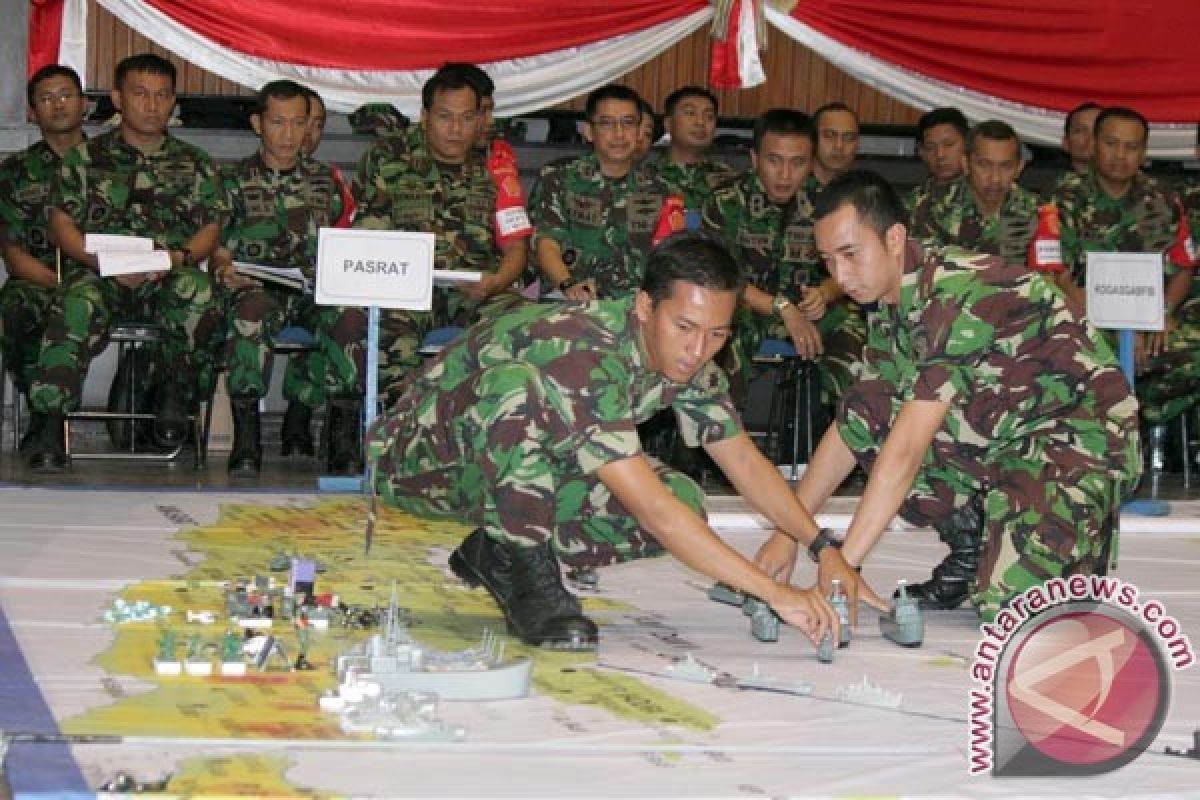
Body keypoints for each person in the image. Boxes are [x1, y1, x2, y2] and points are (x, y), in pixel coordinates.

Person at [367, 231, 872, 650]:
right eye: (685, 326)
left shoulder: (689, 360)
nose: (698, 349)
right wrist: (773, 593)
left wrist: (821, 546)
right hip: (415, 458)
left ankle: (499, 550)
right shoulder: (585, 348)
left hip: (499, 464)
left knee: (684, 499)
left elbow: (743, 460)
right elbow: (651, 508)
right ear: (645, 306)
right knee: (519, 391)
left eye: (718, 334)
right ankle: (526, 566)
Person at [769, 170, 1139, 622]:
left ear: (894, 238)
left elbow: (906, 451)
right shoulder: (892, 299)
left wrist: (844, 564)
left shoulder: (953, 292)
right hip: (1007, 437)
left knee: (1010, 610)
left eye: (850, 254)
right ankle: (976, 547)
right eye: (828, 260)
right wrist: (791, 533)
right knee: (870, 407)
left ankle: (1076, 547)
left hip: (1078, 445)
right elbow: (855, 423)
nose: (840, 276)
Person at [24, 53, 224, 472]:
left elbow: (210, 227)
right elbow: (62, 224)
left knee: (200, 292)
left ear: (173, 102)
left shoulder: (195, 163)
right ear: (117, 98)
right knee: (74, 303)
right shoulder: (84, 158)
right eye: (140, 94)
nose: (152, 105)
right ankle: (50, 422)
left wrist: (180, 257)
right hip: (98, 272)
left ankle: (173, 395)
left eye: (162, 96)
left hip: (166, 272)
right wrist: (98, 263)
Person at [211, 80, 366, 475]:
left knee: (350, 317)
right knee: (251, 314)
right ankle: (248, 440)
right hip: (256, 288)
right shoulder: (231, 179)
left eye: (299, 123)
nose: (289, 134)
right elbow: (217, 245)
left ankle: (343, 440)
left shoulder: (325, 181)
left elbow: (345, 241)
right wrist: (225, 270)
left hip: (313, 290)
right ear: (257, 124)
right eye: (278, 122)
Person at [354, 65, 531, 405]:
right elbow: (365, 237)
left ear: (480, 119)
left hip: (478, 289)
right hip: (406, 290)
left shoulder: (496, 166)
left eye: (467, 118)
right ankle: (400, 423)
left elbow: (516, 246)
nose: (456, 129)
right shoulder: (389, 161)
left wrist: (498, 282)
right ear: (425, 117)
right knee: (385, 333)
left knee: (526, 324)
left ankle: (497, 422)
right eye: (445, 117)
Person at [1050, 106, 1200, 461]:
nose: (1120, 155)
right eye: (1112, 143)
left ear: (1144, 152)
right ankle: (1122, 415)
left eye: (1131, 147)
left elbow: (1183, 266)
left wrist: (1162, 313)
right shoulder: (1062, 199)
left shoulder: (1164, 199)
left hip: (1153, 327)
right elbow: (1055, 274)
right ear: (1094, 144)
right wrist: (1117, 328)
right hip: (1089, 326)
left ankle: (1136, 410)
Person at [702, 109, 864, 411]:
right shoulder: (726, 202)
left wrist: (826, 292)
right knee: (719, 342)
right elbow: (720, 277)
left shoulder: (828, 205)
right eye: (774, 161)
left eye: (798, 163)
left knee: (856, 341)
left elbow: (851, 268)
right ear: (754, 159)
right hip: (744, 310)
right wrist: (782, 308)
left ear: (811, 162)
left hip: (810, 311)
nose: (785, 175)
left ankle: (848, 432)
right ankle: (716, 434)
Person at [0, 64, 87, 452]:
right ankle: (42, 409)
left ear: (84, 104)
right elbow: (13, 252)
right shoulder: (16, 171)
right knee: (15, 306)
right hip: (41, 278)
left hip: (104, 281)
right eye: (46, 99)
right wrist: (59, 283)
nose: (58, 105)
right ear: (33, 112)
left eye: (66, 95)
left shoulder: (112, 164)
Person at [531, 84, 678, 302]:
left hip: (635, 305)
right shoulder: (559, 178)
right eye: (607, 123)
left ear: (639, 132)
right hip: (569, 300)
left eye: (628, 123)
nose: (619, 134)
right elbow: (547, 241)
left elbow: (670, 256)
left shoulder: (661, 190)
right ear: (589, 131)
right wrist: (568, 284)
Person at [908, 119, 1038, 266]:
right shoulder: (927, 208)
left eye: (1006, 166)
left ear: (1019, 167)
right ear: (966, 164)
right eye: (984, 165)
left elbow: (1051, 274)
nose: (995, 178)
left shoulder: (1039, 213)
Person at [648, 86, 735, 220]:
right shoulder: (646, 178)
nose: (700, 122)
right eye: (690, 113)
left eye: (709, 116)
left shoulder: (730, 181)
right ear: (668, 124)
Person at [906, 107, 969, 210]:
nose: (940, 154)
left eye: (949, 144)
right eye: (930, 147)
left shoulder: (985, 196)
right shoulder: (911, 203)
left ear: (967, 145)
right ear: (922, 152)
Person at [807, 102, 860, 192]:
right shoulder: (790, 189)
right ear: (812, 139)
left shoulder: (865, 192)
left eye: (848, 137)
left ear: (858, 144)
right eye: (829, 135)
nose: (839, 146)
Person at [1061, 101, 1102, 177]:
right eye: (1080, 131)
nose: (1091, 138)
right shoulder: (1045, 181)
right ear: (1066, 143)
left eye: (1098, 130)